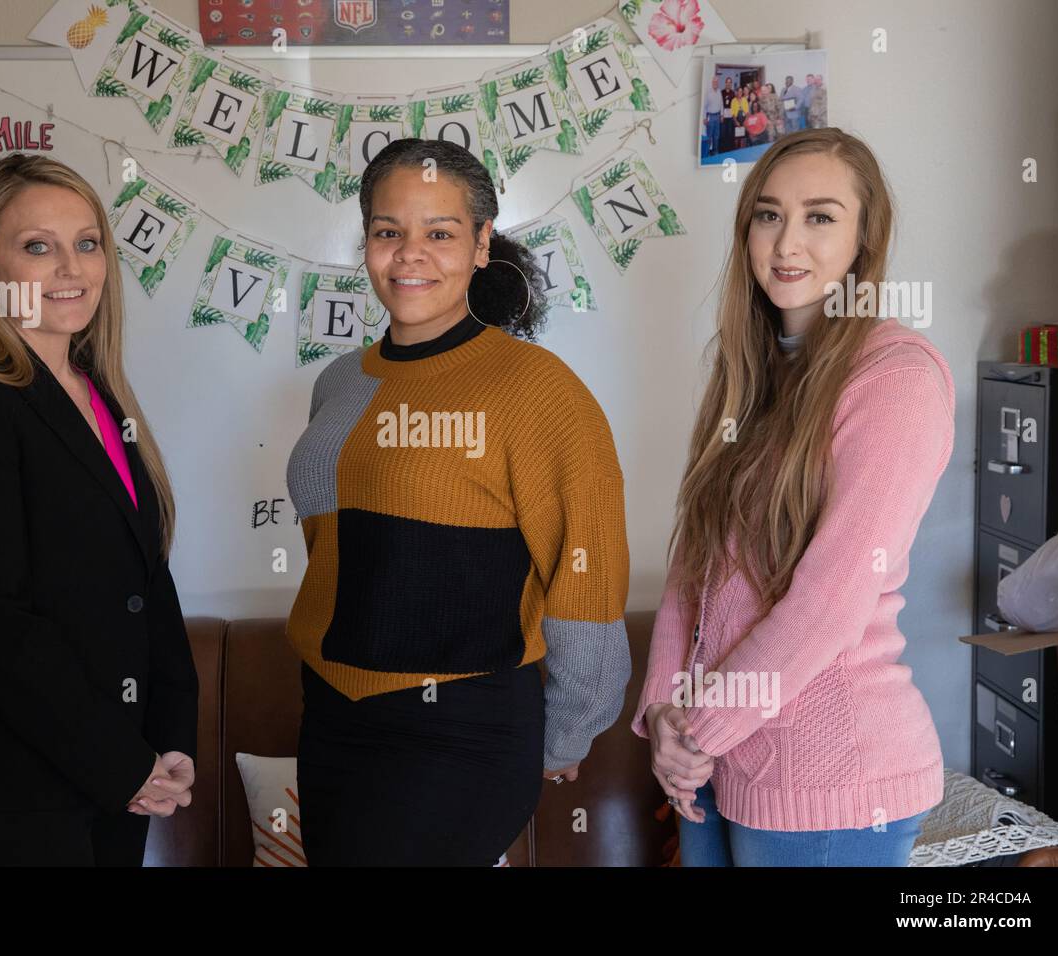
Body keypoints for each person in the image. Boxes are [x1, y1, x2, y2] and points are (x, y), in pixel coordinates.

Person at [286, 138, 631, 866]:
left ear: (481, 246)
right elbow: (340, 555)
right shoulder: (339, 383)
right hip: (333, 716)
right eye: (389, 232)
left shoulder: (537, 389)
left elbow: (586, 575)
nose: (410, 254)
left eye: (440, 233)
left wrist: (567, 731)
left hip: (459, 732)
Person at [630, 128, 953, 866]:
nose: (786, 243)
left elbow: (830, 600)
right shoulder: (749, 372)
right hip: (715, 767)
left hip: (833, 781)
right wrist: (663, 713)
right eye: (768, 214)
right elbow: (695, 564)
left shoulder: (896, 377)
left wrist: (698, 730)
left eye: (820, 216)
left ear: (865, 238)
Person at [0, 153, 198, 866]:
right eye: (39, 247)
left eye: (87, 243)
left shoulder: (97, 391)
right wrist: (119, 764)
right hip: (9, 797)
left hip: (113, 778)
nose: (71, 269)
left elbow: (145, 585)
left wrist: (169, 740)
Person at [703, 75, 723, 158]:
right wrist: (704, 118)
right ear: (712, 82)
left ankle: (715, 152)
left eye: (717, 82)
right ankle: (706, 153)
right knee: (709, 137)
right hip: (710, 117)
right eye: (714, 81)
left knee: (716, 136)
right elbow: (704, 107)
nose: (716, 83)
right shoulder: (708, 92)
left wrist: (722, 115)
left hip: (718, 116)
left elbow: (721, 104)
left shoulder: (719, 91)